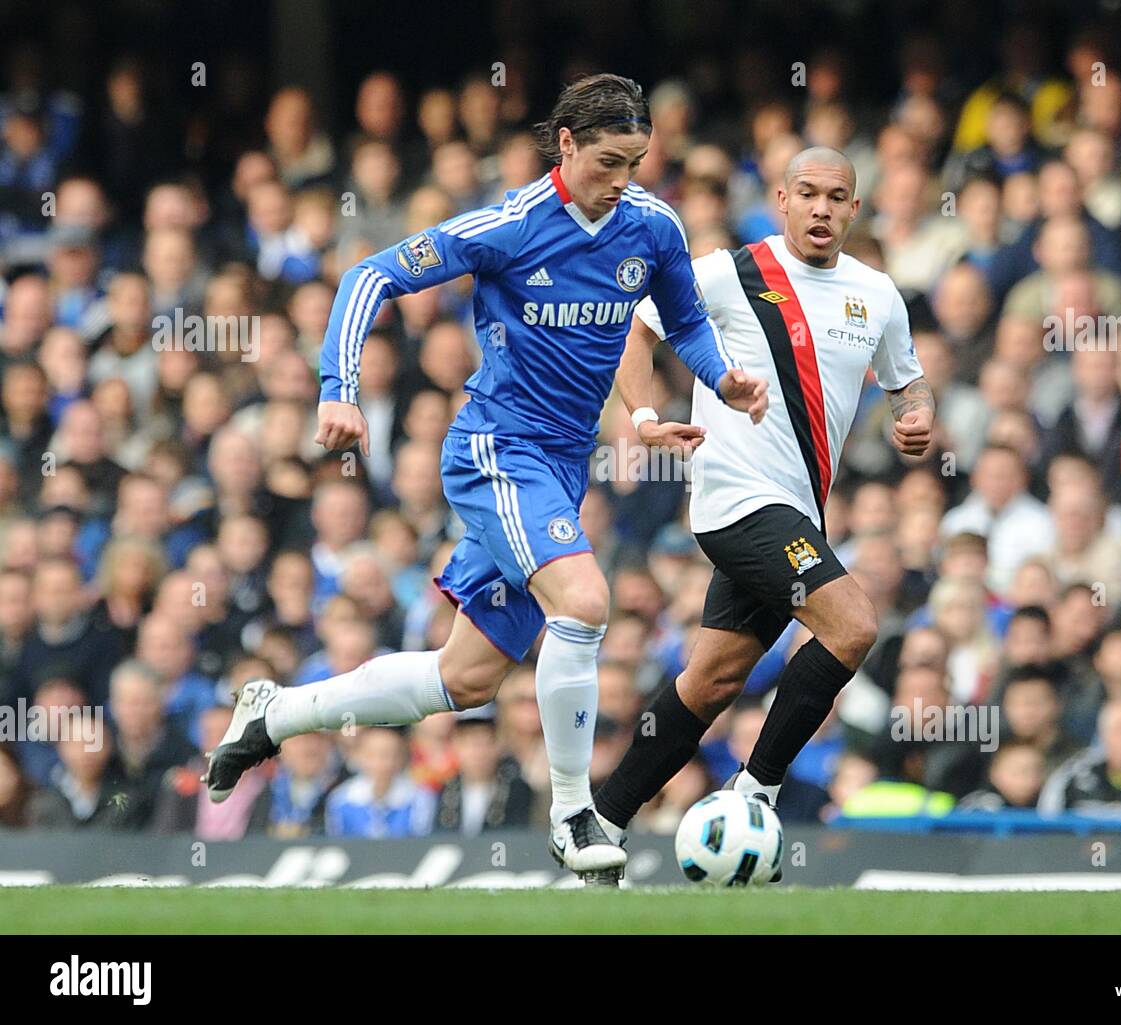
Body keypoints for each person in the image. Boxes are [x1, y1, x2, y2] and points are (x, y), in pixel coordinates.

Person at [203, 74, 767, 884]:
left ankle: (275, 711)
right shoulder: (510, 225)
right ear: (566, 145)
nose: (622, 180)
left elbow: (682, 320)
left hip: (561, 467)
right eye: (608, 161)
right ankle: (576, 812)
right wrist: (340, 390)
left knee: (462, 677)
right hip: (497, 449)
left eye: (636, 162)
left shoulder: (653, 226)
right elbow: (371, 276)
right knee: (584, 602)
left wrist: (722, 378)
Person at [591, 146, 933, 867]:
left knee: (710, 680)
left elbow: (909, 383)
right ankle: (758, 789)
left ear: (854, 209)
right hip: (735, 504)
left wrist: (916, 417)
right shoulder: (729, 271)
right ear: (781, 200)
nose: (821, 208)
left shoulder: (876, 294)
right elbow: (637, 329)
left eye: (836, 197)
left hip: (796, 514)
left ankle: (602, 822)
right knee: (853, 624)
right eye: (807, 193)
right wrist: (645, 415)